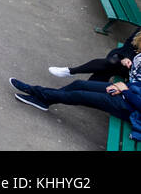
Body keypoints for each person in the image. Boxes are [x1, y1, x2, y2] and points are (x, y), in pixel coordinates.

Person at [10, 37, 141, 143]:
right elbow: (123, 52)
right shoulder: (137, 49)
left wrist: (125, 91)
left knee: (78, 95)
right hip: (127, 91)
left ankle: (35, 91)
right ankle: (44, 100)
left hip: (129, 106)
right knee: (79, 84)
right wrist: (124, 86)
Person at [48, 32, 140, 83]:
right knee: (112, 63)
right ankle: (75, 79)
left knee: (111, 65)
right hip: (126, 58)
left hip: (136, 71)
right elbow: (130, 41)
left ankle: (71, 72)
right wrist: (128, 57)